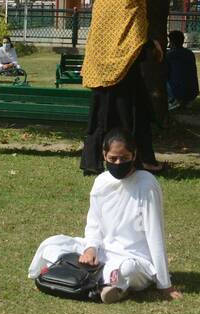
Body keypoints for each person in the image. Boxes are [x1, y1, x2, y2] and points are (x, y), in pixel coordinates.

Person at [28, 130, 180, 304]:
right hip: (102, 252)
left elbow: (155, 235)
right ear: (104, 155)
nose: (118, 163)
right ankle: (103, 283)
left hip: (133, 257)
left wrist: (164, 285)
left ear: (134, 155)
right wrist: (91, 248)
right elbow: (94, 224)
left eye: (124, 158)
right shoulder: (101, 181)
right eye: (113, 158)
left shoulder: (146, 184)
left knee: (127, 269)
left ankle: (108, 285)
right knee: (52, 244)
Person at [80, 0, 165, 175]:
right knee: (133, 118)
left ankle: (94, 162)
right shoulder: (131, 2)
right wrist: (152, 47)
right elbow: (134, 43)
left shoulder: (104, 4)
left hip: (101, 77)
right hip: (127, 80)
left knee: (101, 119)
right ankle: (139, 160)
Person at [164, 30, 199, 111]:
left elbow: (166, 73)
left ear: (171, 42)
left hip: (178, 90)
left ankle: (174, 99)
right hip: (193, 92)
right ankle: (185, 101)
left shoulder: (170, 55)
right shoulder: (189, 53)